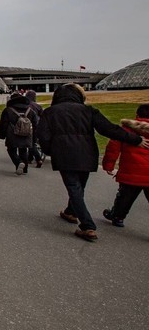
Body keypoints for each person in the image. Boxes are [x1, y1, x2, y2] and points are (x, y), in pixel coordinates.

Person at [36, 84, 149, 242]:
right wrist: (135, 139)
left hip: (64, 154)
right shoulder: (88, 111)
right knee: (79, 187)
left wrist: (50, 151)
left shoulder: (50, 112)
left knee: (74, 188)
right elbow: (109, 129)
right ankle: (71, 211)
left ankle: (87, 226)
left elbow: (42, 135)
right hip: (87, 154)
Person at [101, 104, 149, 228]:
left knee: (125, 197)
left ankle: (117, 216)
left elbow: (113, 148)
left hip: (131, 171)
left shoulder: (126, 130)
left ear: (137, 115)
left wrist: (108, 165)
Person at [0, 92, 39, 175]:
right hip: (27, 133)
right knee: (23, 150)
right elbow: (35, 124)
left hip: (12, 133)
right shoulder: (30, 110)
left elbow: (4, 124)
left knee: (11, 150)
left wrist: (2, 135)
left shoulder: (8, 110)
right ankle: (25, 169)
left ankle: (18, 162)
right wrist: (34, 138)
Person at [24, 90, 45, 167]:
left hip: (25, 126)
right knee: (32, 142)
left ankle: (38, 158)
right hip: (35, 126)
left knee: (30, 144)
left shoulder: (24, 105)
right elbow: (43, 117)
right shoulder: (37, 106)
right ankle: (30, 158)